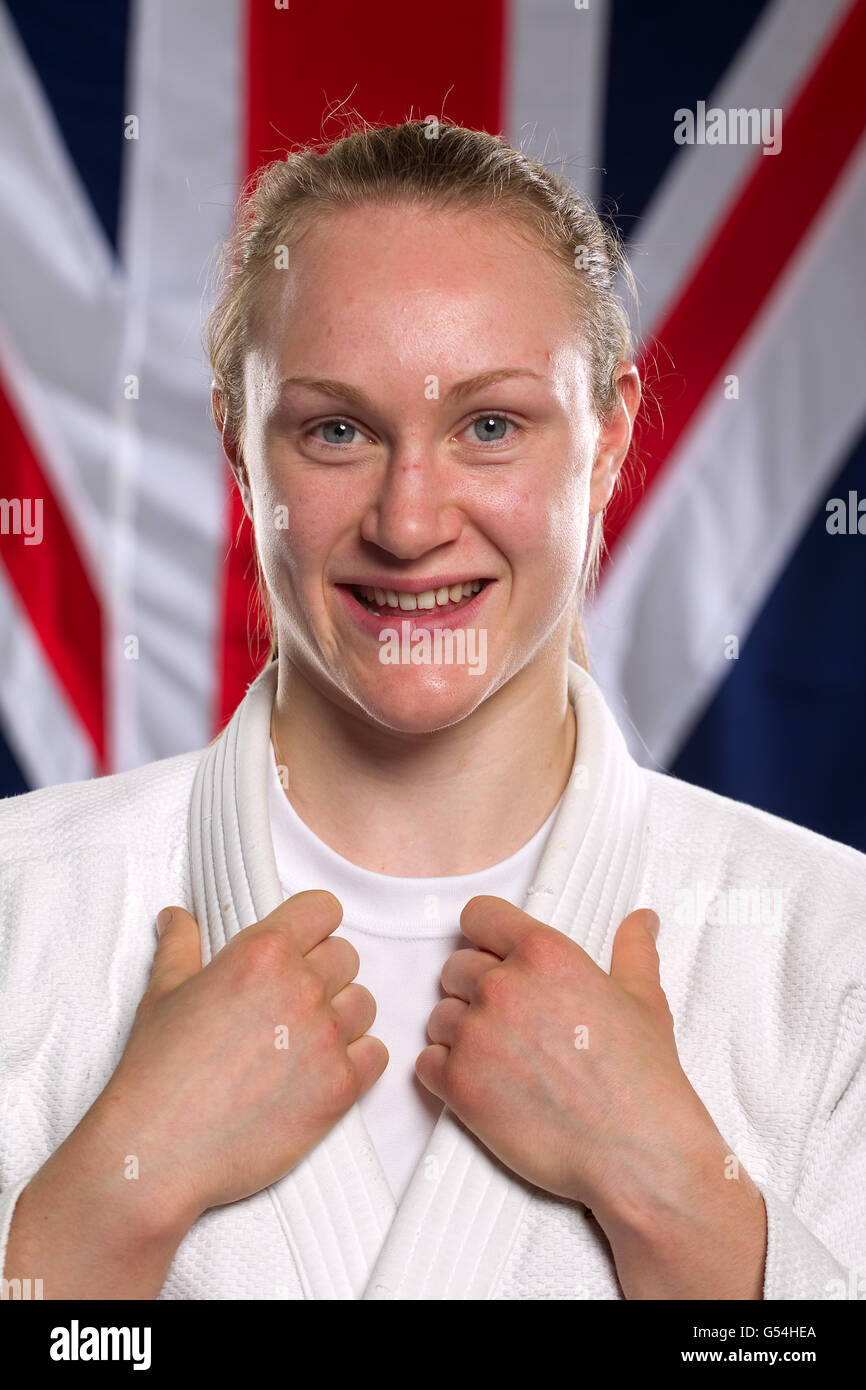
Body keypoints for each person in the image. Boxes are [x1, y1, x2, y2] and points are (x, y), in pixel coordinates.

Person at [1, 118, 864, 1302]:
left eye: (490, 425)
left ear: (606, 440)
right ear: (239, 449)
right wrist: (105, 1207)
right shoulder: (19, 910)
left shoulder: (830, 951)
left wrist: (677, 1199)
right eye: (336, 430)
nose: (409, 523)